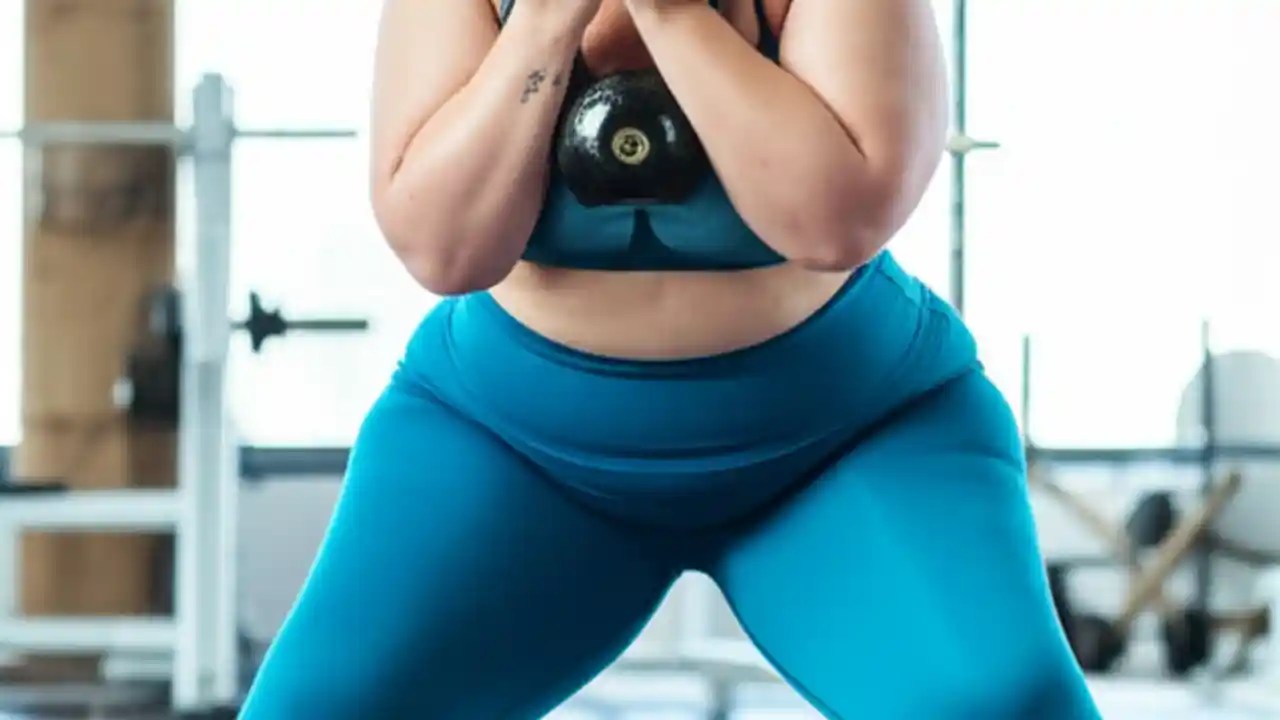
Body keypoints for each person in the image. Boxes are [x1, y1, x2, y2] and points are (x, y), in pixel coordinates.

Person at [241, 0, 1103, 717]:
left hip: (845, 437)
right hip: (513, 444)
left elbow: (834, 218)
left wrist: (671, 13)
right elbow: (444, 248)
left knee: (1001, 702)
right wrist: (546, 17)